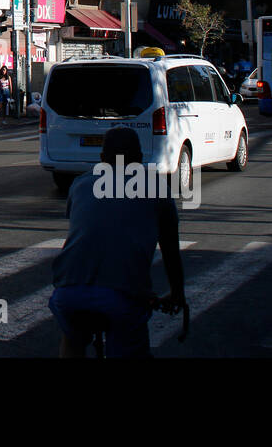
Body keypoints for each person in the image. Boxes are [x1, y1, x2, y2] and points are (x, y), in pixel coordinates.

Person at [48, 127, 185, 358]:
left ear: (102, 158)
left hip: (68, 293)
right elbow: (171, 251)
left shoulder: (81, 184)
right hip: (122, 296)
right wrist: (177, 293)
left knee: (72, 339)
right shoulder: (157, 188)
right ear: (140, 159)